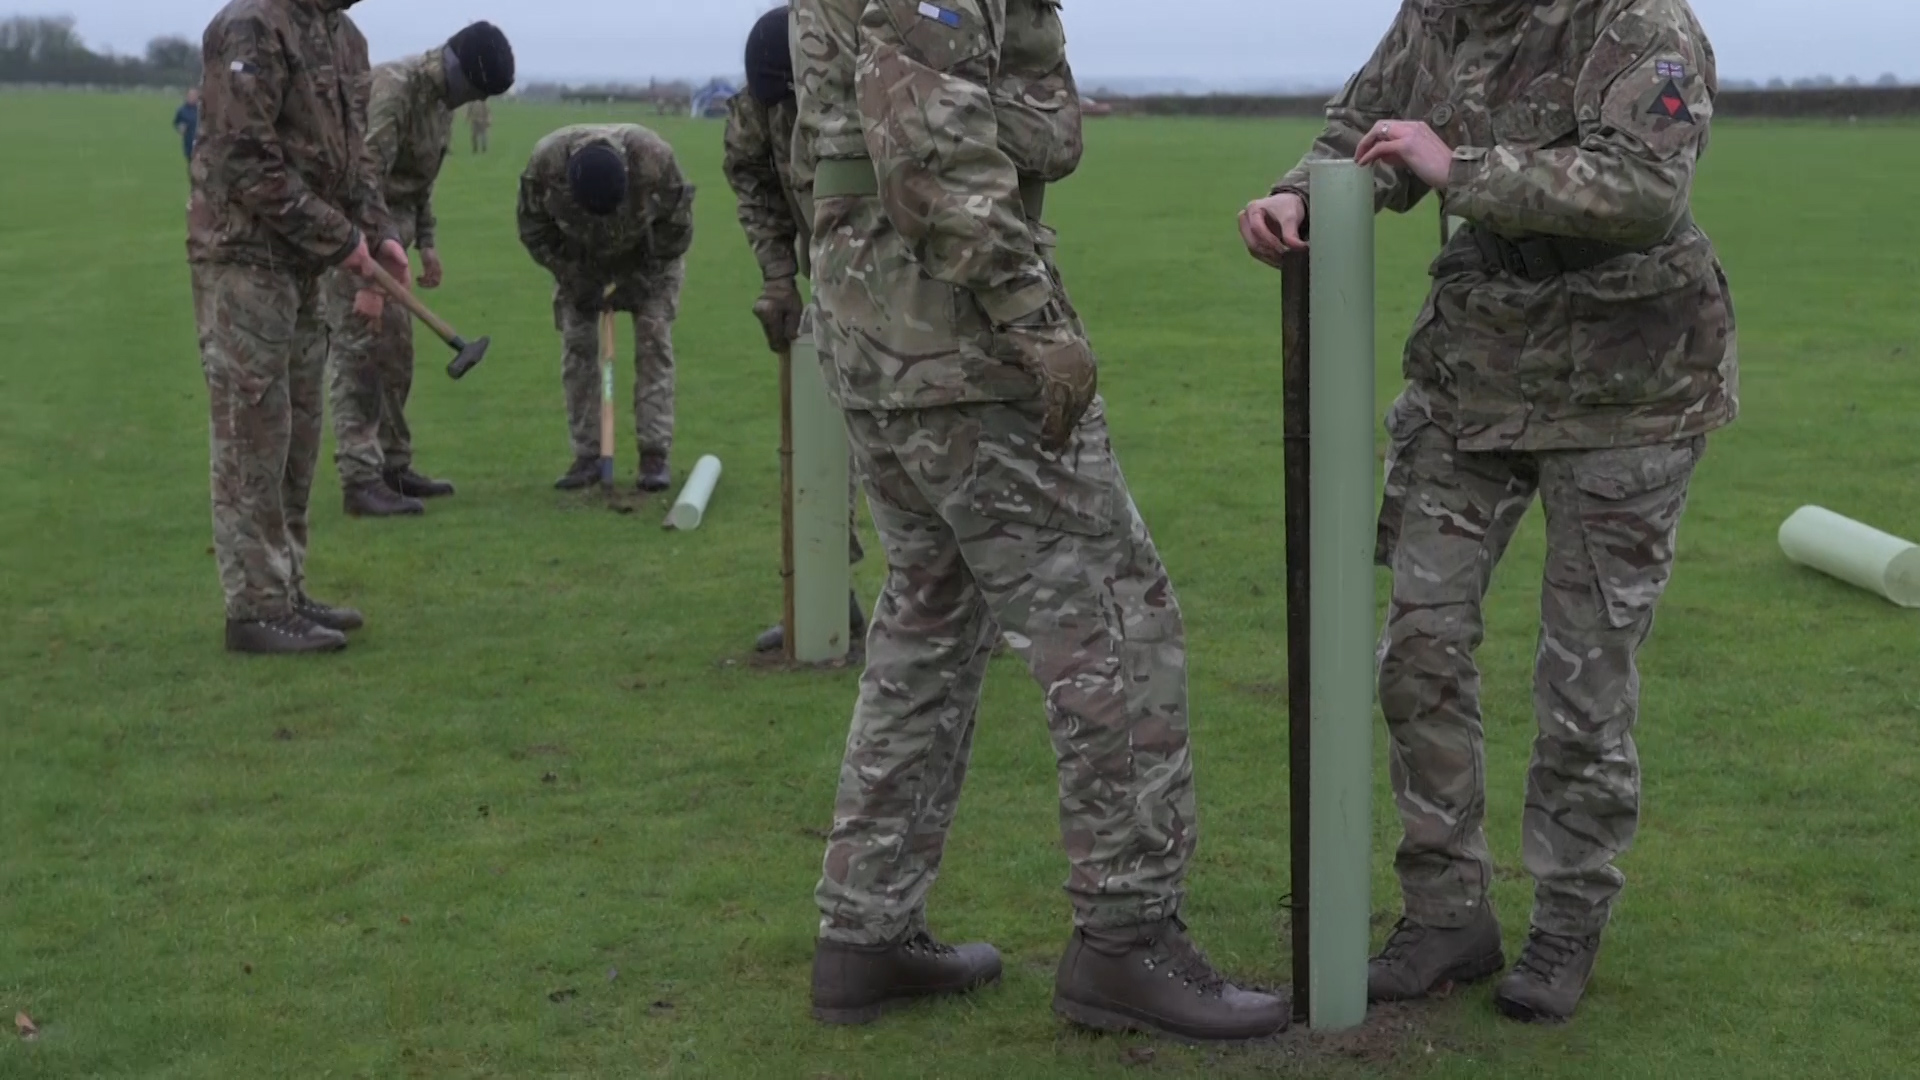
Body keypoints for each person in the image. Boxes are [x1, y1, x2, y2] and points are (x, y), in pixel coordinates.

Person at [793, 0, 1289, 1043]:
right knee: (1115, 619)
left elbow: (1042, 124)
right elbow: (930, 133)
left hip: (878, 340)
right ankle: (1127, 937)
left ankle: (865, 930)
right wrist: (1032, 311)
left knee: (928, 623)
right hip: (963, 342)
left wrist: (1012, 114)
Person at [1239, 0, 1737, 1024]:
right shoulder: (1435, 16)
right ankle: (1445, 913)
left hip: (1632, 387)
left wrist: (1461, 170)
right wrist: (1301, 195)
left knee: (1584, 679)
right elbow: (1365, 127)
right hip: (1474, 372)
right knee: (1419, 651)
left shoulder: (1639, 22)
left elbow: (1645, 187)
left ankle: (1569, 914)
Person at [187, 0, 408, 654]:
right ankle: (253, 608)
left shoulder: (347, 38)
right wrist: (341, 238)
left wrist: (381, 234)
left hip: (306, 265)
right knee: (253, 431)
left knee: (300, 431)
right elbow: (244, 157)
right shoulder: (252, 24)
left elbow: (354, 161)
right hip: (244, 260)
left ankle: (286, 587)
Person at [323, 21, 516, 518]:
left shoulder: (440, 103)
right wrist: (367, 277)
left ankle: (394, 467)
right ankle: (360, 480)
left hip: (395, 247)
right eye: (477, 90)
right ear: (458, 69)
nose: (476, 101)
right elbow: (358, 182)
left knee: (395, 358)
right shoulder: (396, 89)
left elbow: (420, 181)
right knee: (360, 359)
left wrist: (427, 243)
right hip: (358, 244)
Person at [721, 7, 869, 654]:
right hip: (830, 281)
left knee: (930, 449)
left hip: (910, 279)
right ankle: (825, 597)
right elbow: (751, 181)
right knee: (823, 434)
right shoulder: (756, 106)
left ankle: (972, 608)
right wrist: (779, 278)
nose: (780, 114)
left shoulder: (872, 91)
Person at [517, 124, 694, 494]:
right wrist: (572, 275)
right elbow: (534, 231)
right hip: (579, 261)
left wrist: (638, 279)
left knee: (653, 340)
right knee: (577, 344)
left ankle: (654, 455)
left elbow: (677, 233)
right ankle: (588, 456)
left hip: (649, 262)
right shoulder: (545, 164)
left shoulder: (655, 160)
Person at [173, 87, 200, 165]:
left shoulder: (201, 109)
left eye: (194, 95)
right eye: (190, 95)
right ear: (187, 96)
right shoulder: (182, 110)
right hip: (189, 143)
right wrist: (180, 128)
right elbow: (176, 122)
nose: (192, 97)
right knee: (192, 166)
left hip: (201, 143)